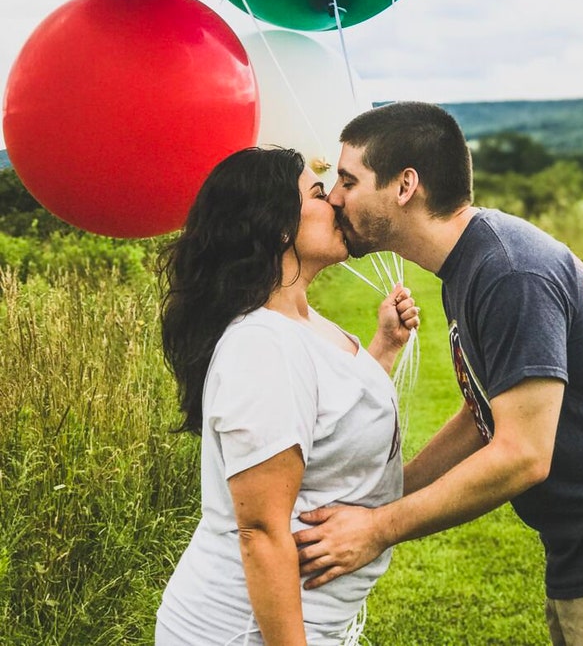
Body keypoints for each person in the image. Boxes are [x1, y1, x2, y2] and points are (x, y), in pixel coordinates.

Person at [294, 102, 583, 646]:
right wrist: (386, 494)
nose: (334, 197)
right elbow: (483, 417)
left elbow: (523, 454)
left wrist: (378, 529)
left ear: (405, 185)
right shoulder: (468, 266)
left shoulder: (509, 271)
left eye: (347, 179)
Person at [154, 145, 418, 646]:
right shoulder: (262, 344)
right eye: (319, 192)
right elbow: (259, 531)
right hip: (240, 632)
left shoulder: (300, 324)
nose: (337, 201)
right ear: (277, 226)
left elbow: (331, 424)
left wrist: (383, 348)